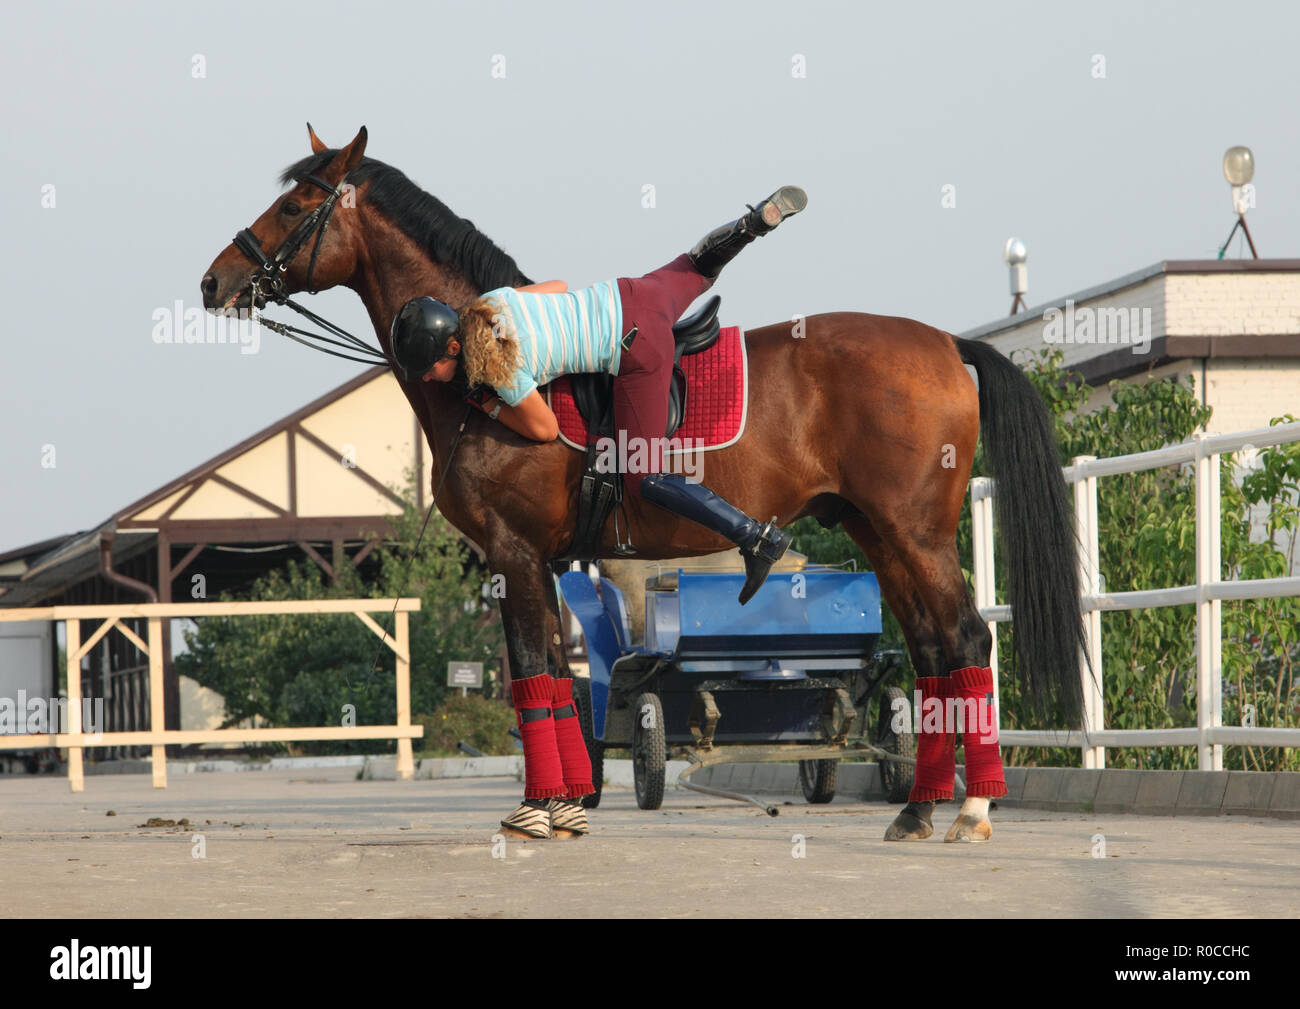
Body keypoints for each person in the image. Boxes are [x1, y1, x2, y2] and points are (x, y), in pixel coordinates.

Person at [391, 186, 807, 607]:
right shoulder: (490, 303)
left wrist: (489, 403)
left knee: (643, 475)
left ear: (453, 348)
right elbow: (558, 285)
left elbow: (544, 427)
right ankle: (749, 226)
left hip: (636, 346)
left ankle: (755, 538)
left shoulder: (503, 371)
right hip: (633, 294)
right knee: (697, 267)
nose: (427, 380)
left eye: (430, 370)